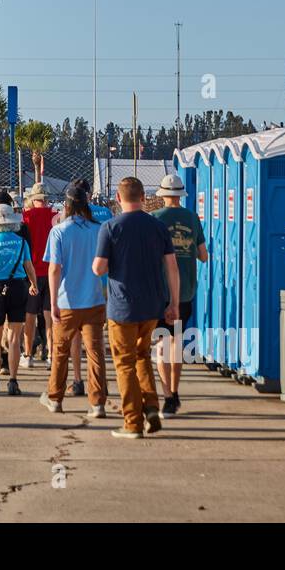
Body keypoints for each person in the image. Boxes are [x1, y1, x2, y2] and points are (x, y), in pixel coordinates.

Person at [94, 177, 179, 439]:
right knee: (143, 356)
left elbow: (99, 267)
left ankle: (132, 422)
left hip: (122, 307)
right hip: (153, 305)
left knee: (124, 364)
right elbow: (172, 267)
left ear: (118, 199)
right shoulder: (158, 227)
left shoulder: (110, 227)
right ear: (143, 197)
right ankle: (152, 407)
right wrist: (173, 303)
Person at [40, 184, 108, 417]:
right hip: (94, 299)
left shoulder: (59, 232)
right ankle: (97, 403)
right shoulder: (99, 230)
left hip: (66, 301)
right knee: (95, 352)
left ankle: (55, 399)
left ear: (66, 206)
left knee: (60, 352)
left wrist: (52, 303)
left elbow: (54, 270)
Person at [152, 172, 207, 416]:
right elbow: (204, 255)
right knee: (176, 344)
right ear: (181, 195)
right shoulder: (192, 218)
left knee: (162, 345)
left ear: (163, 195)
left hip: (160, 291)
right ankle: (175, 392)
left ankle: (167, 395)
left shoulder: (155, 219)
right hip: (186, 291)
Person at [0, 204, 37, 395]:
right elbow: (29, 266)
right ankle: (13, 381)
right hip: (18, 287)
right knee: (14, 337)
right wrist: (33, 284)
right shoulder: (21, 242)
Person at [21, 183, 57, 370]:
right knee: (49, 316)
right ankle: (51, 354)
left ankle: (28, 354)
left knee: (30, 315)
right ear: (47, 198)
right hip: (52, 271)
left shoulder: (26, 217)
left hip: (31, 272)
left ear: (33, 198)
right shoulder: (55, 218)